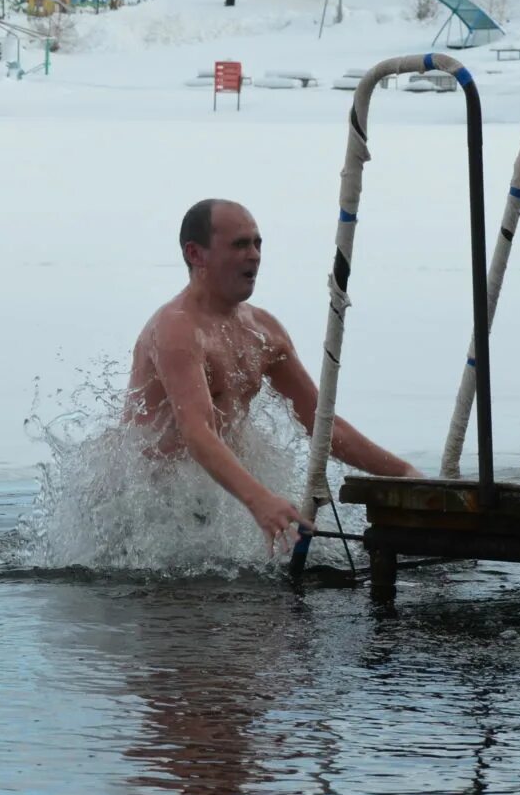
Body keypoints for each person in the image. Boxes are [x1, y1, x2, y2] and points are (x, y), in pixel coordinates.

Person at [129, 199, 417, 549]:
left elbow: (323, 424)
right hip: (147, 507)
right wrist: (259, 501)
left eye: (257, 243)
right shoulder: (176, 329)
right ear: (196, 253)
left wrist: (405, 474)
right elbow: (197, 430)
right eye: (239, 244)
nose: (254, 255)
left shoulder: (263, 330)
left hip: (212, 498)